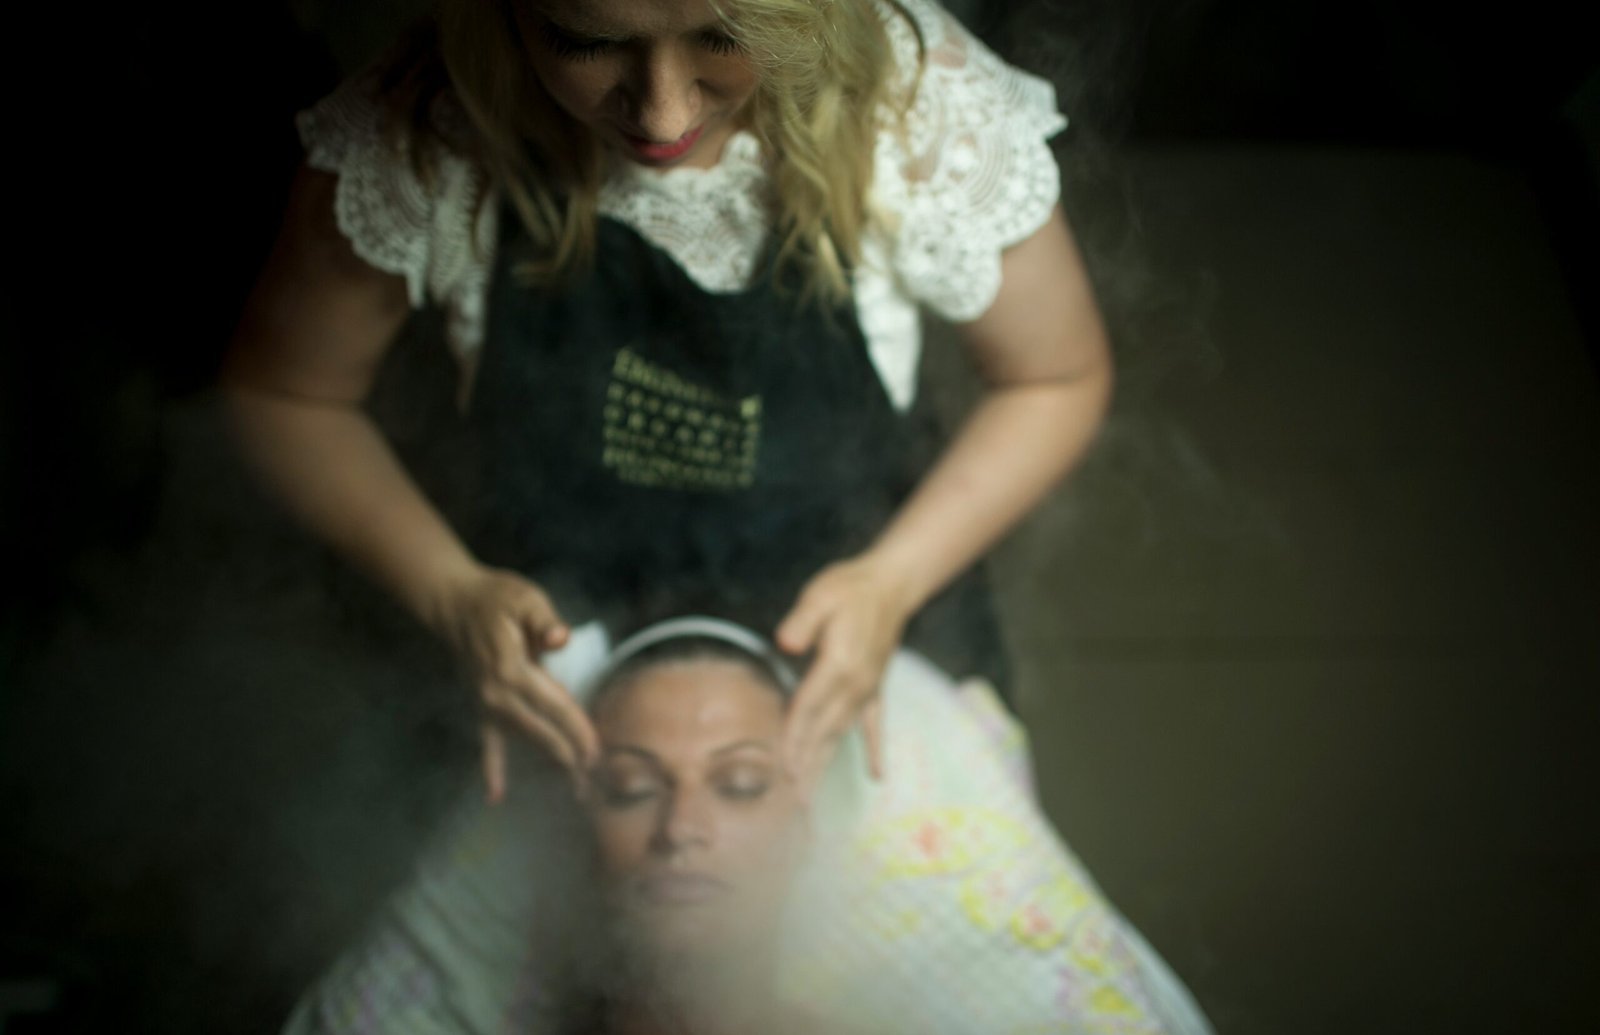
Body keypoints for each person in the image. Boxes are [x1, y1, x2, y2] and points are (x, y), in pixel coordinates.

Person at [219, 0, 1203, 1030]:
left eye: (722, 37)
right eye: (589, 43)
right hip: (556, 649)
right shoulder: (424, 128)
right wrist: (449, 589)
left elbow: (1054, 377)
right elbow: (285, 394)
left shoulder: (913, 101)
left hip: (860, 629)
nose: (659, 107)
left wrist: (893, 581)